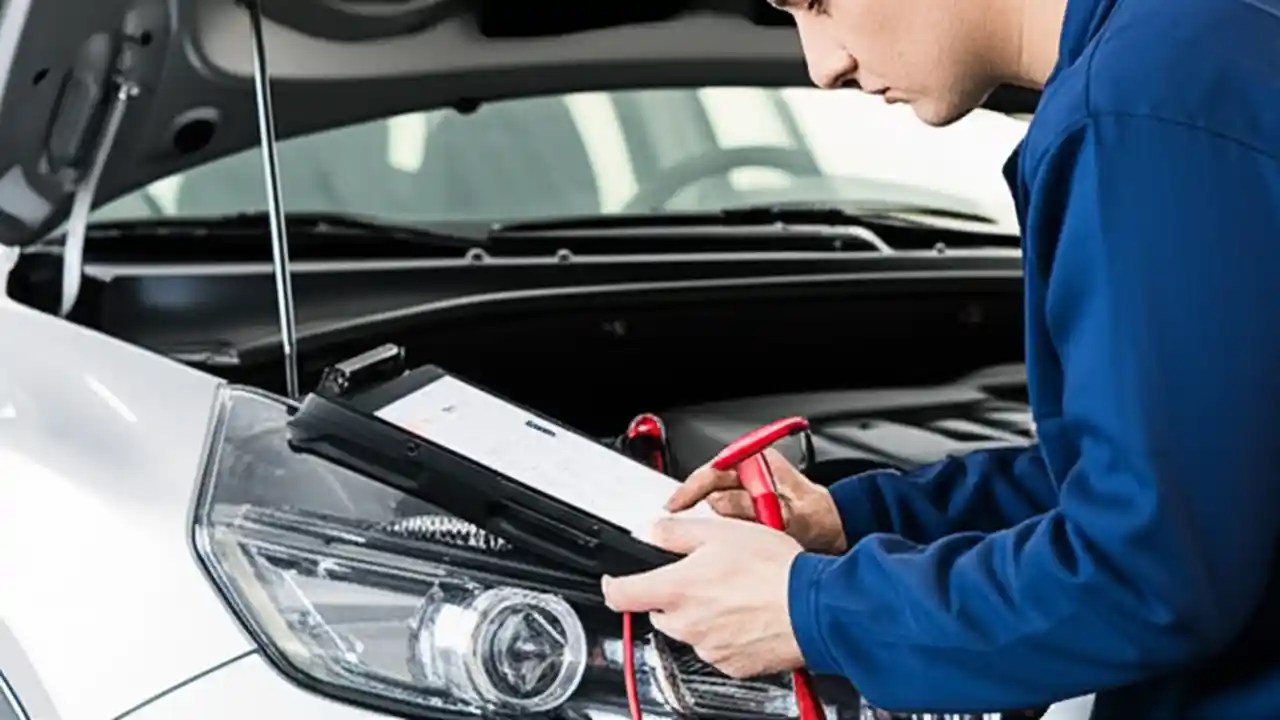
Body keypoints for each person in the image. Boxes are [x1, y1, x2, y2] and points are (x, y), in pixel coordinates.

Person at [600, 0, 1280, 717]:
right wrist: (849, 520)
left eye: (821, 4)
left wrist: (813, 610)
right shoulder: (1204, 42)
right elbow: (1195, 476)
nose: (823, 65)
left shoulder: (1136, 108)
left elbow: (1149, 573)